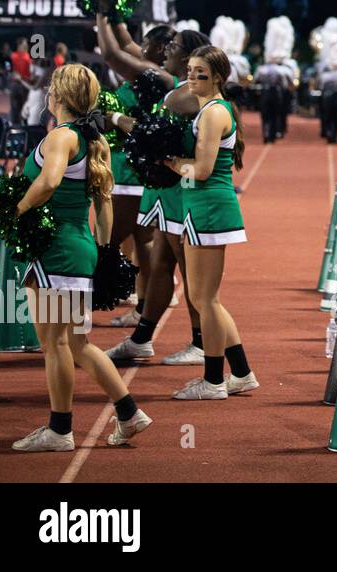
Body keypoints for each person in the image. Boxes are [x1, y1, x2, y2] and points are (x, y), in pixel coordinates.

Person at [10, 64, 153, 451]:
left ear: (59, 96)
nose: (47, 94)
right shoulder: (94, 139)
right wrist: (104, 252)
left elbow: (49, 181)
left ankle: (60, 430)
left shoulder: (61, 137)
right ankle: (129, 412)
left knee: (54, 345)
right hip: (79, 246)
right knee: (78, 344)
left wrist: (16, 210)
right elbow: (104, 205)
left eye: (52, 89)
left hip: (55, 249)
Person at [105, 26, 211, 367]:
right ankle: (141, 338)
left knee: (189, 270)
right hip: (167, 190)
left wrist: (116, 118)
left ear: (190, 56)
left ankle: (204, 344)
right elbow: (128, 48)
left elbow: (152, 133)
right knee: (162, 262)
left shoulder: (184, 94)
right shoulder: (180, 88)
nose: (167, 49)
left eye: (174, 46)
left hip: (183, 191)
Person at [162, 46, 257, 400]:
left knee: (205, 299)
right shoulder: (207, 110)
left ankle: (214, 380)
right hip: (199, 207)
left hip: (210, 209)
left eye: (199, 72)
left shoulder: (214, 113)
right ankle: (242, 373)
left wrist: (169, 161)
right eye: (189, 70)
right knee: (205, 298)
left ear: (217, 76)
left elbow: (200, 171)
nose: (191, 77)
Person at [92, 20, 173, 332]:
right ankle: (142, 312)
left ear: (162, 49)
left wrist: (100, 16)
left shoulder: (155, 77)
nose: (141, 48)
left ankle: (77, 312)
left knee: (105, 241)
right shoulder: (153, 73)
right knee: (144, 242)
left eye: (148, 44)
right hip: (136, 169)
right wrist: (113, 13)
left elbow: (113, 52)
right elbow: (125, 46)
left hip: (130, 171)